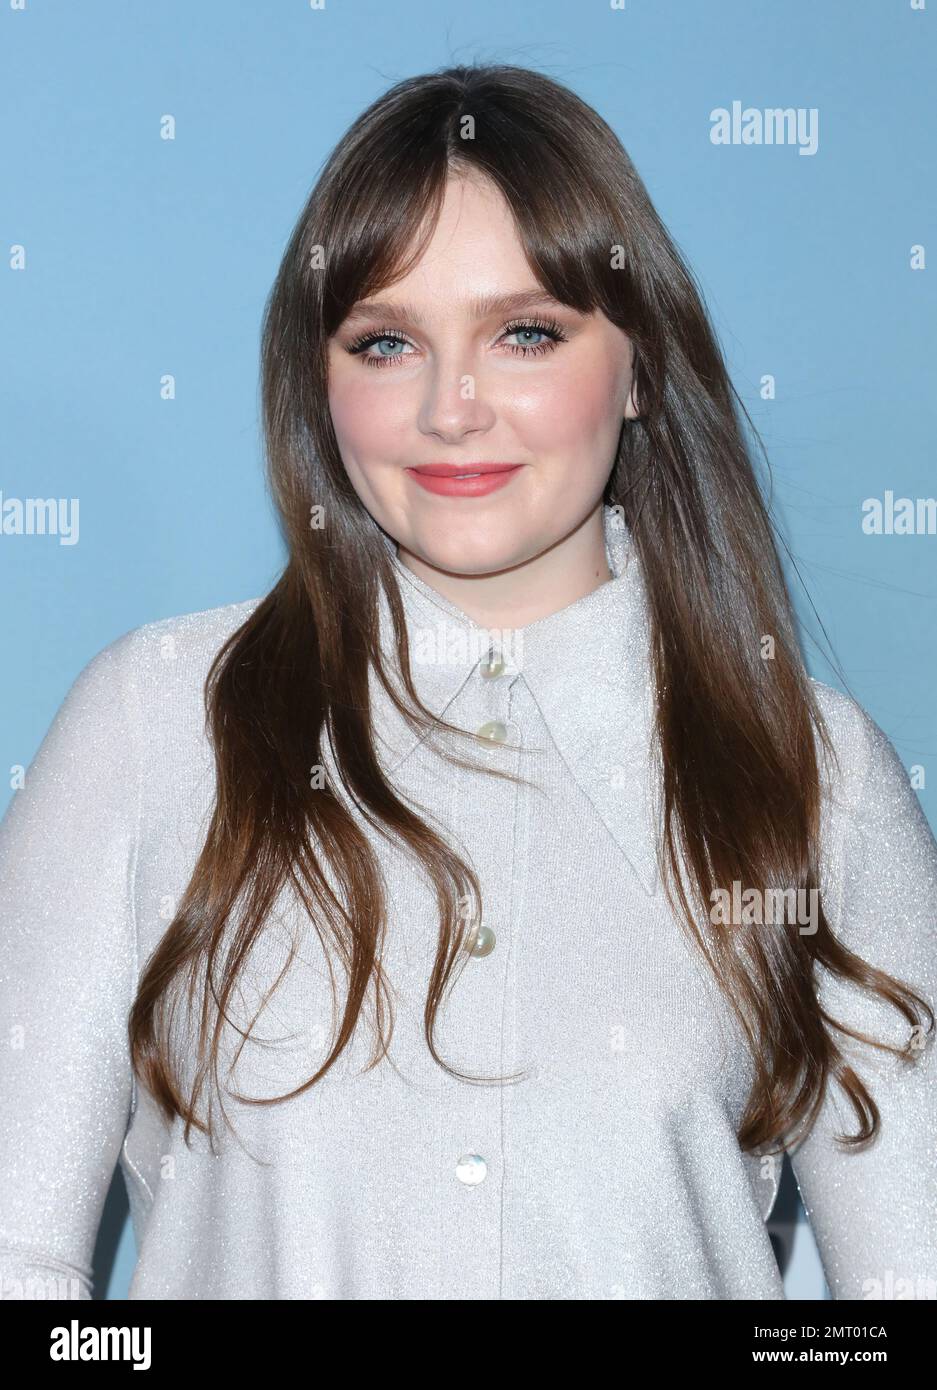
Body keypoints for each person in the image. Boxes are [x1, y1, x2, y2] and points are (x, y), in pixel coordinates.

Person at [1, 62, 935, 1302]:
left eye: (526, 333)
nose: (453, 407)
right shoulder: (153, 722)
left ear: (641, 365)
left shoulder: (815, 780)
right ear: (318, 383)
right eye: (386, 341)